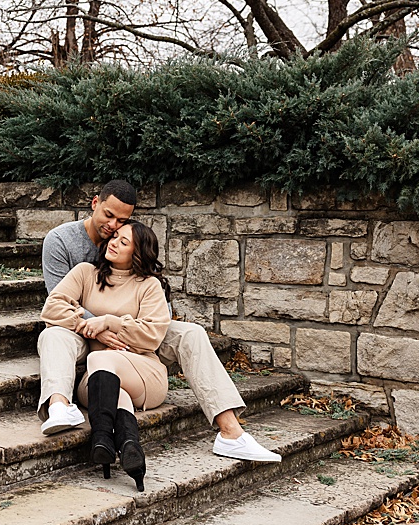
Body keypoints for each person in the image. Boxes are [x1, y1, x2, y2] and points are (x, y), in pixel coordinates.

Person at [37, 180, 280, 463]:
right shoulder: (62, 242)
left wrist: (112, 323)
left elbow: (154, 311)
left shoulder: (133, 256)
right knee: (53, 333)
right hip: (81, 329)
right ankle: (59, 406)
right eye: (109, 216)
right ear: (95, 204)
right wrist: (98, 328)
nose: (114, 227)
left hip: (126, 327)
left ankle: (231, 432)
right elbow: (57, 301)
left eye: (122, 222)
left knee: (191, 333)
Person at [41, 222, 170, 490]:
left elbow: (152, 335)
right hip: (98, 381)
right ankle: (128, 444)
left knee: (101, 359)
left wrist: (110, 322)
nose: (113, 243)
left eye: (124, 243)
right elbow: (52, 308)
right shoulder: (86, 273)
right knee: (106, 379)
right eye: (114, 237)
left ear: (138, 253)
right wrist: (88, 327)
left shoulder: (148, 286)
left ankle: (101, 437)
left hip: (141, 371)